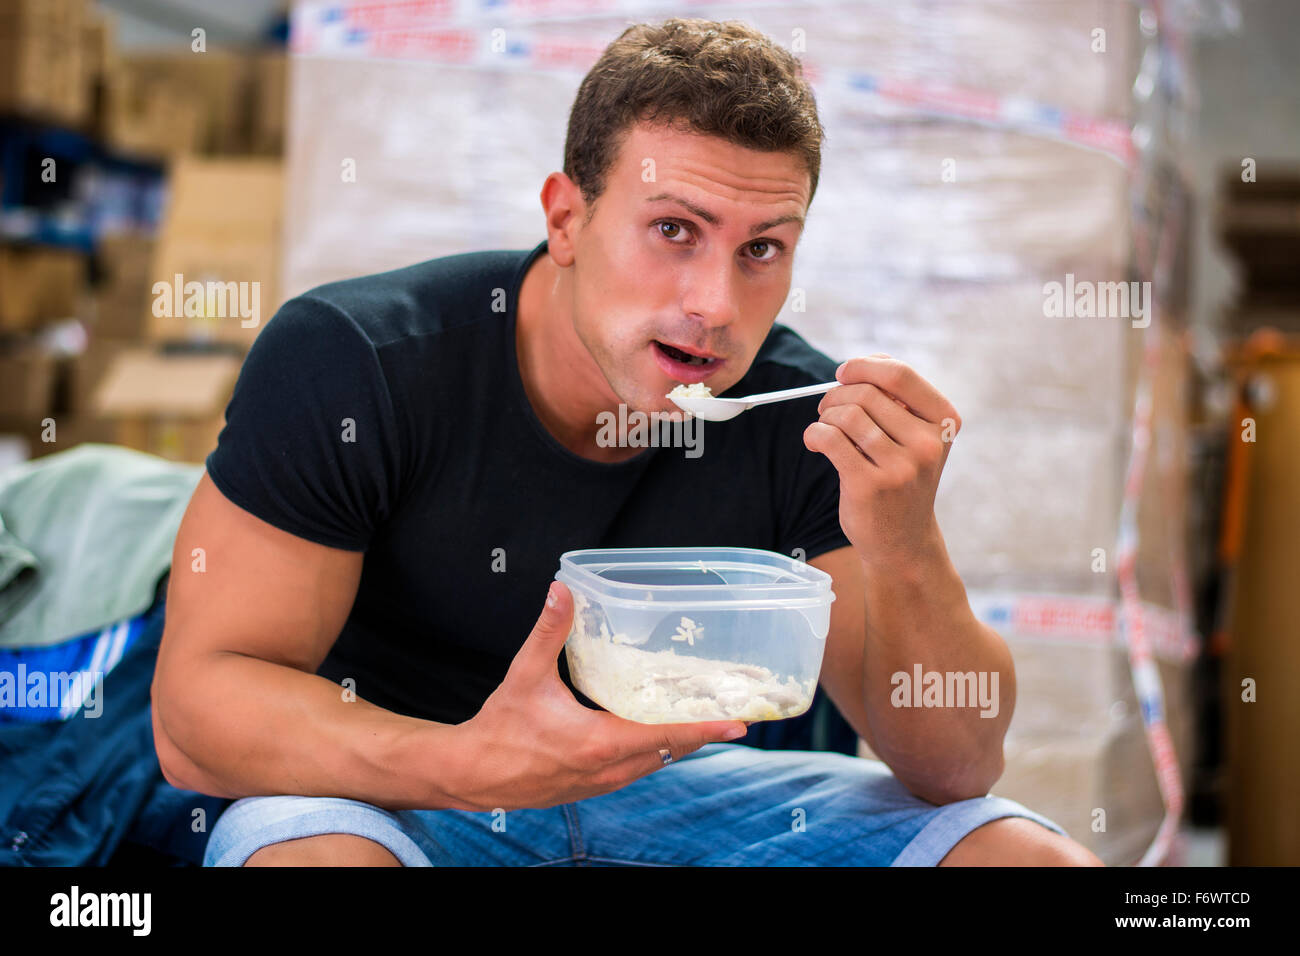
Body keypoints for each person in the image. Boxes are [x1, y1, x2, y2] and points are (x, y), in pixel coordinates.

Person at [151, 17, 1101, 867]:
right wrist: (467, 763)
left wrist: (907, 542)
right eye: (674, 230)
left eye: (762, 248)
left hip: (689, 797)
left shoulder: (795, 413)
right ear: (567, 219)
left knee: (1022, 857)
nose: (716, 308)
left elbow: (958, 767)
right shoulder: (359, 361)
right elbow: (197, 714)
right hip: (397, 791)